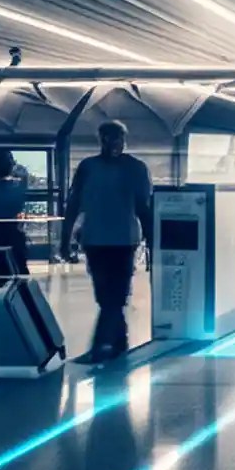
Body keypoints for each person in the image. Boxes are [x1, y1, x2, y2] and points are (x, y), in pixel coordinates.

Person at [60, 121, 152, 364]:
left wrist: (153, 240)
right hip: (98, 240)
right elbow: (73, 204)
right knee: (107, 297)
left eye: (116, 138)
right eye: (107, 138)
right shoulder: (89, 167)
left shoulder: (135, 168)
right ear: (100, 140)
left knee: (115, 296)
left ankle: (102, 345)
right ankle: (118, 344)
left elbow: (144, 207)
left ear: (124, 140)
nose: (112, 143)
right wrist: (65, 238)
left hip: (121, 240)